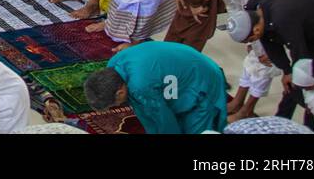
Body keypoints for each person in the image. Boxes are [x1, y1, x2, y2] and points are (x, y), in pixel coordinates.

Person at [84, 42, 228, 134]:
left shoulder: (140, 87)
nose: (118, 105)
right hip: (182, 62)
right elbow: (144, 110)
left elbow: (164, 120)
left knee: (196, 129)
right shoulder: (114, 64)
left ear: (120, 92)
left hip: (202, 77)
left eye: (114, 104)